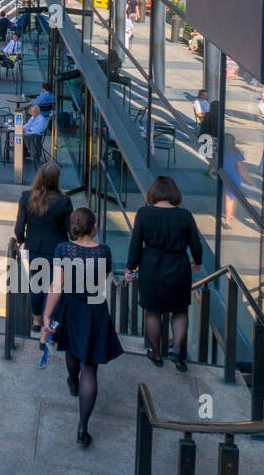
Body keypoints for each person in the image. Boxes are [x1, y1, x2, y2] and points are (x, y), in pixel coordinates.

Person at [41, 206, 122, 448]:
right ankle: (82, 427)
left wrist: (47, 314)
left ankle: (72, 380)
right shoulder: (104, 251)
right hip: (94, 309)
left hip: (70, 306)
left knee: (70, 349)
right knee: (91, 370)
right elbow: (105, 276)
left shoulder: (63, 249)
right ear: (93, 226)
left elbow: (57, 285)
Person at [125, 175, 203, 370]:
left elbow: (136, 244)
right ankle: (176, 352)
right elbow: (195, 243)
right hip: (178, 266)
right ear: (173, 193)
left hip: (151, 267)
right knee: (180, 310)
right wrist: (197, 262)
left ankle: (156, 354)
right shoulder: (185, 215)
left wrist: (130, 268)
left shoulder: (143, 213)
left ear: (154, 193)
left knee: (152, 311)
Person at [14, 162, 73, 331]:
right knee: (55, 288)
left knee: (37, 286)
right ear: (57, 180)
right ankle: (51, 323)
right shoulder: (64, 202)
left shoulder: (26, 197)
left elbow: (18, 228)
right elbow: (71, 230)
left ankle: (37, 321)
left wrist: (21, 240)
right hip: (58, 250)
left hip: (35, 248)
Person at [221, 134, 249, 229]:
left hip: (224, 177)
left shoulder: (221, 152)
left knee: (229, 198)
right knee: (231, 198)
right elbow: (241, 169)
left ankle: (229, 218)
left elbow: (215, 163)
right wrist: (249, 180)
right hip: (234, 178)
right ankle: (228, 219)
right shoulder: (237, 154)